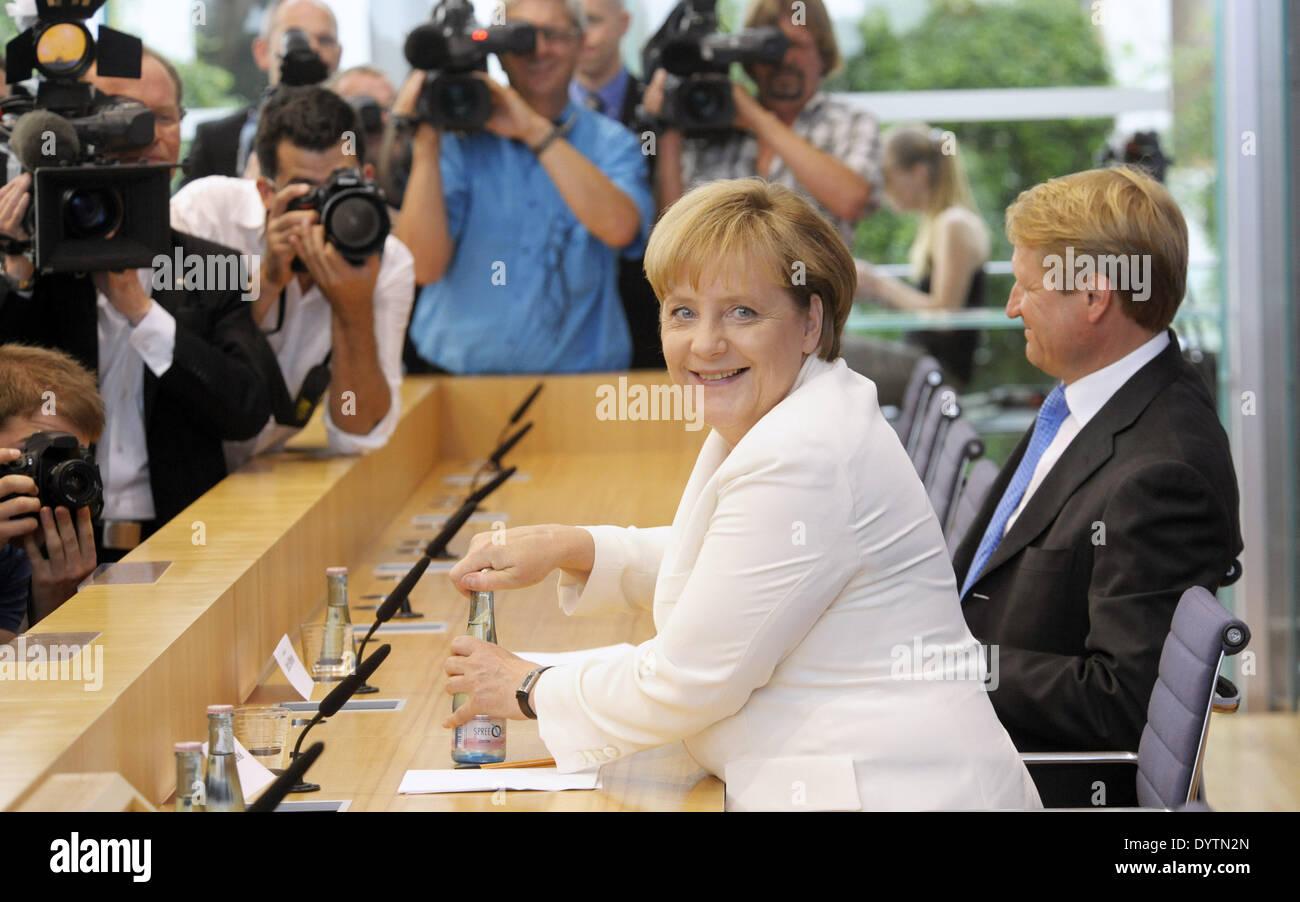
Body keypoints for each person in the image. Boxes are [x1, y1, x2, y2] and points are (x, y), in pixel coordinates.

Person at [442, 179, 1041, 811]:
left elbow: (686, 681)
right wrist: (578, 547)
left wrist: (529, 688)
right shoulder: (793, 408)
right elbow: (741, 560)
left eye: (742, 312)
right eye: (682, 312)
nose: (705, 344)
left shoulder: (805, 452)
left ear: (811, 321)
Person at [953, 167, 1242, 759]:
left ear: (1093, 296)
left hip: (1021, 773)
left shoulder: (1164, 474)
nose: (1012, 308)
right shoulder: (1082, 399)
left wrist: (949, 666)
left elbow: (1120, 702)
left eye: (1027, 287)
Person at [0, 48, 276, 560]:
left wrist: (142, 312)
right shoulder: (33, 263)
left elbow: (246, 411)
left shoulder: (211, 264)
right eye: (122, 114)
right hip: (41, 541)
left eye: (164, 116)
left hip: (186, 539)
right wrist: (13, 269)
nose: (146, 132)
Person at [396, 0, 654, 375]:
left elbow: (621, 228)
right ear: (497, 53)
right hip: (455, 383)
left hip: (580, 387)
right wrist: (426, 139)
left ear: (581, 44)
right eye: (519, 38)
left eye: (553, 35)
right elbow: (421, 266)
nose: (537, 49)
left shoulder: (613, 143)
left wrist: (533, 129)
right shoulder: (460, 142)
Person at [170, 87, 415, 469]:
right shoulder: (206, 214)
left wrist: (353, 309)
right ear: (266, 191)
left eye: (338, 187)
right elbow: (176, 372)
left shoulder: (387, 260)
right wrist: (265, 283)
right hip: (186, 463)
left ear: (367, 180)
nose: (323, 211)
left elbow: (358, 433)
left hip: (262, 473)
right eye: (306, 194)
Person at [645, 0, 880, 246]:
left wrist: (757, 118)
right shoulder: (712, 125)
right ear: (749, 59)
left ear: (823, 54)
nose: (784, 59)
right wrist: (669, 124)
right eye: (770, 49)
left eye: (796, 45)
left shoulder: (851, 122)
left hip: (811, 282)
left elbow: (852, 200)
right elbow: (673, 230)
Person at [845, 124, 991, 403]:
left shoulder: (953, 224)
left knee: (827, 355)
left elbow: (944, 316)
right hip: (924, 362)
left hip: (937, 370)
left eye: (887, 176)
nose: (883, 189)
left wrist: (879, 284)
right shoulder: (941, 223)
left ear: (920, 173)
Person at [570, 0, 663, 369]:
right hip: (560, 326)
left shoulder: (662, 106)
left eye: (592, 21)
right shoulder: (519, 117)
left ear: (623, 23)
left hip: (646, 309)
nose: (582, 35)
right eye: (573, 24)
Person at [0, 345, 105, 641]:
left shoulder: (17, 541)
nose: (54, 478)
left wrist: (55, 606)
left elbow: (13, 675)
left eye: (73, 460)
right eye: (33, 454)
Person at [181, 0, 342, 185]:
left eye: (324, 40)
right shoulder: (215, 141)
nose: (311, 48)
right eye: (295, 37)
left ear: (338, 55)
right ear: (263, 52)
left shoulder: (352, 132)